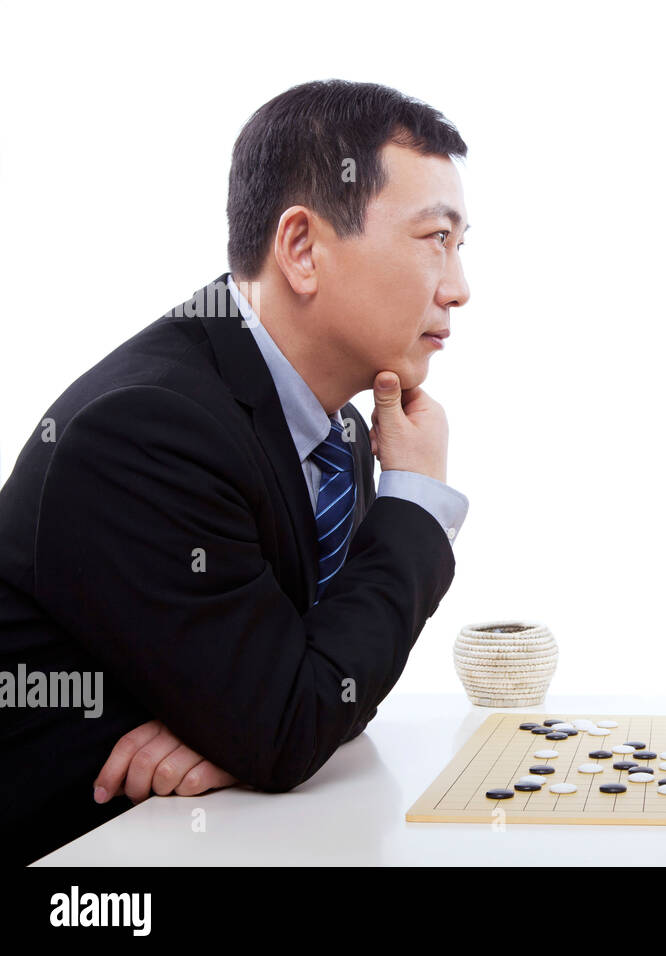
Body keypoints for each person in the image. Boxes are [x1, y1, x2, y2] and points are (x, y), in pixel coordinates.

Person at [0, 79, 472, 865]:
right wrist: (416, 504)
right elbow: (295, 718)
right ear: (301, 249)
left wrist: (250, 729)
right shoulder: (147, 433)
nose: (458, 287)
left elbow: (328, 682)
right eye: (434, 240)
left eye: (462, 247)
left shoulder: (339, 432)